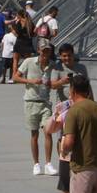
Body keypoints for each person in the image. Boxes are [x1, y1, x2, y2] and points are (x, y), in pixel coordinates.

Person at [17, 43, 59, 175]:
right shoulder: (29, 62)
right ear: (39, 50)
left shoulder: (52, 65)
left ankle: (48, 163)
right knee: (34, 134)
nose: (45, 53)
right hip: (30, 102)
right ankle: (36, 163)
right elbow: (15, 76)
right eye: (43, 50)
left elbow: (55, 82)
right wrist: (31, 81)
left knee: (48, 131)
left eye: (48, 51)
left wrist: (51, 83)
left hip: (45, 102)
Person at [10, 10, 35, 81]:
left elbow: (16, 34)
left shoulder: (18, 22)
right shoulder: (30, 23)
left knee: (15, 60)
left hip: (19, 43)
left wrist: (12, 28)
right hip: (28, 43)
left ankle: (14, 77)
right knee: (28, 61)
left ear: (19, 15)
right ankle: (27, 77)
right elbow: (34, 34)